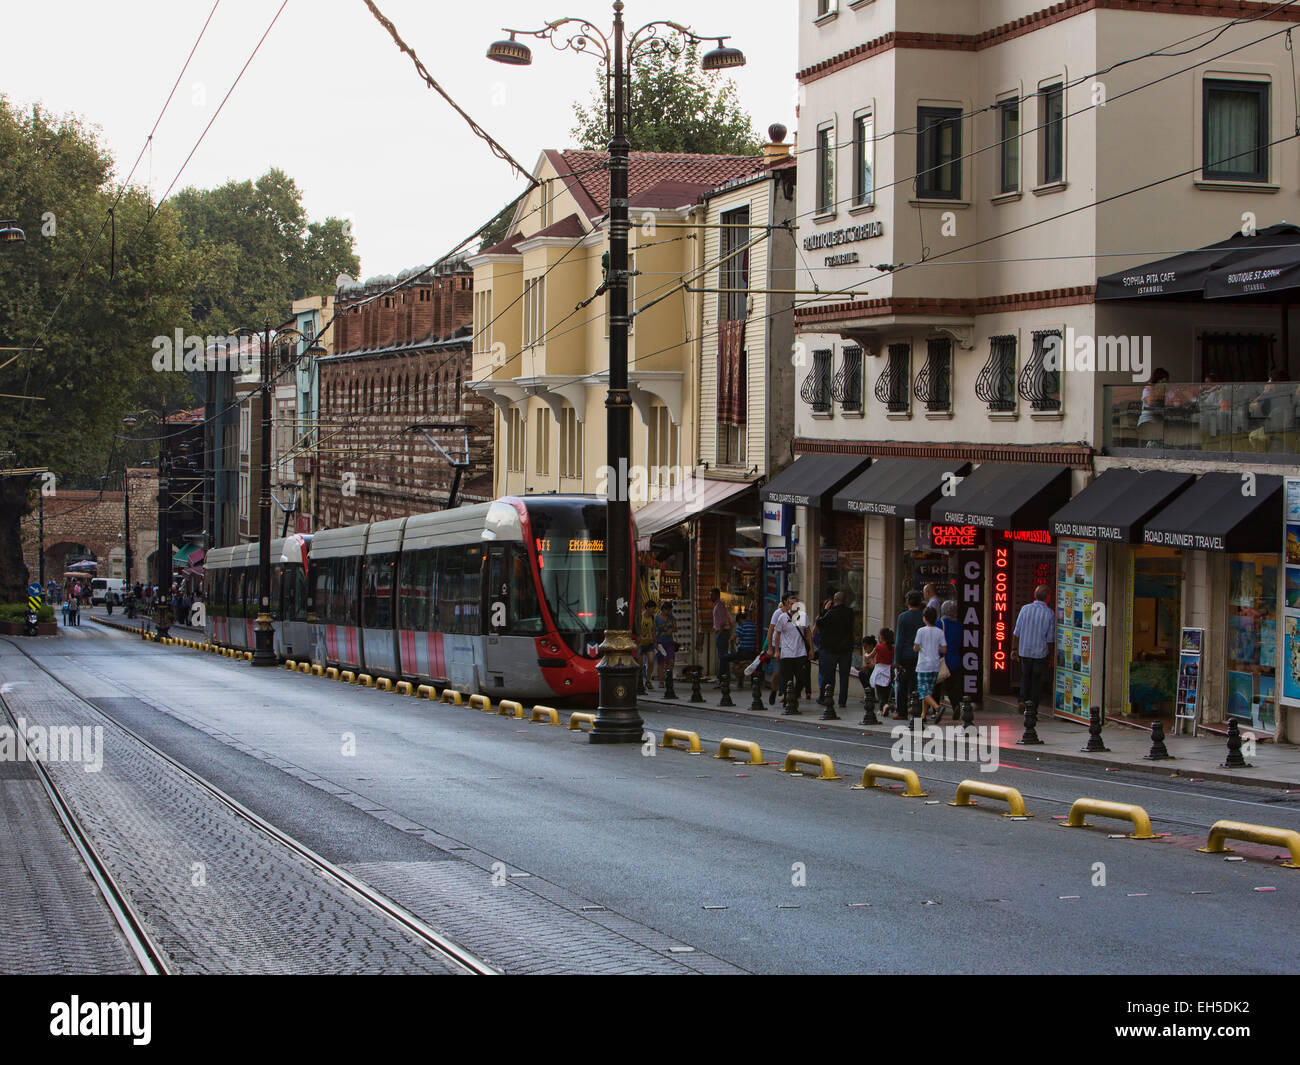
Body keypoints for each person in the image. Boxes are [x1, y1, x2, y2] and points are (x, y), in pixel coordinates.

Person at [1012, 584, 1056, 715]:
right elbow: (1050, 638)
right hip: (1040, 653)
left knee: (1025, 676)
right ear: (1047, 597)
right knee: (1037, 680)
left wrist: (1014, 649)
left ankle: (1022, 700)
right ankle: (1033, 708)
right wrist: (1052, 654)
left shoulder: (1025, 609)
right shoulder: (1049, 613)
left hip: (1025, 650)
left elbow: (1016, 631)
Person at [813, 591, 855, 713]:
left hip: (829, 649)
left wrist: (825, 610)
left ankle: (825, 697)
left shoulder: (830, 614)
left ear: (833, 601)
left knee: (828, 675)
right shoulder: (849, 613)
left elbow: (819, 623)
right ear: (845, 600)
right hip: (845, 649)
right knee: (844, 676)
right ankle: (842, 700)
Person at [769, 591, 811, 714]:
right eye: (791, 603)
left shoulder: (803, 616)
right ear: (787, 604)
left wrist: (811, 649)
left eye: (795, 603)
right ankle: (788, 699)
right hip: (786, 653)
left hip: (800, 652)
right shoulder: (782, 617)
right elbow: (776, 634)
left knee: (802, 678)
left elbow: (808, 633)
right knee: (787, 678)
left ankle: (794, 695)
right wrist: (775, 650)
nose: (793, 606)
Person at [893, 590, 925, 718]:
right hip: (920, 655)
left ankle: (902, 712)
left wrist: (896, 660)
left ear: (907, 602)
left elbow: (899, 639)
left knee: (902, 684)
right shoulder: (923, 616)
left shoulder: (903, 617)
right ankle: (916, 709)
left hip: (906, 655)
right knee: (916, 684)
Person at [931, 600, 963, 723]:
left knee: (936, 685)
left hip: (941, 659)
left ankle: (935, 710)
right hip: (954, 659)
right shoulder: (959, 626)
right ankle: (955, 706)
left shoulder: (939, 624)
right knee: (952, 687)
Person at [913, 606, 947, 720]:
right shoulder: (939, 632)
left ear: (924, 618)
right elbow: (944, 649)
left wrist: (918, 647)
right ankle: (923, 715)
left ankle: (938, 708)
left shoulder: (921, 631)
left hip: (923, 665)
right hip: (935, 665)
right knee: (928, 692)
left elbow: (916, 647)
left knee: (922, 691)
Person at [711, 587, 733, 687]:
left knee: (722, 656)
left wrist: (719, 632)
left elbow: (724, 621)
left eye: (711, 594)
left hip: (722, 633)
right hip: (722, 632)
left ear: (716, 595)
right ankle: (725, 677)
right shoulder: (719, 605)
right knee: (723, 656)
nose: (710, 596)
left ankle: (722, 678)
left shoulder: (719, 606)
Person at [654, 600, 677, 685]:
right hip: (660, 642)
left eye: (670, 610)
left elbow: (676, 628)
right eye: (668, 610)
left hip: (669, 642)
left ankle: (668, 678)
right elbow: (653, 631)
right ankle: (661, 681)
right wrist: (655, 642)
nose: (669, 612)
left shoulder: (671, 617)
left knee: (671, 661)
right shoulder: (656, 618)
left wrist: (671, 629)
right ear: (663, 609)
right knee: (661, 662)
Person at [639, 600, 658, 689]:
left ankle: (648, 680)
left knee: (651, 661)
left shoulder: (652, 618)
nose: (653, 611)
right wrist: (642, 638)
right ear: (647, 608)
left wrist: (655, 642)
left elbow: (653, 630)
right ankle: (639, 681)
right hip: (641, 643)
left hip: (649, 643)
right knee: (640, 663)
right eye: (652, 609)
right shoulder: (640, 617)